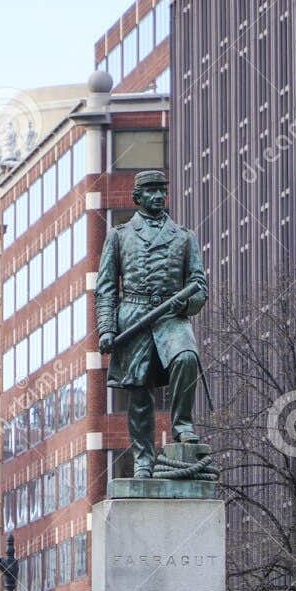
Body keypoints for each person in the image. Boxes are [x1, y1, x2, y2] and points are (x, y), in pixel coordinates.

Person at [95, 168, 208, 478]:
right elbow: (105, 289)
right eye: (151, 191)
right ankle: (143, 458)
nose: (158, 196)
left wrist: (186, 303)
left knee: (186, 358)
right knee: (139, 389)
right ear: (138, 197)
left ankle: (182, 426)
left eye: (161, 191)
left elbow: (199, 283)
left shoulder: (184, 236)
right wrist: (106, 328)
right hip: (134, 316)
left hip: (172, 316)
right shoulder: (119, 236)